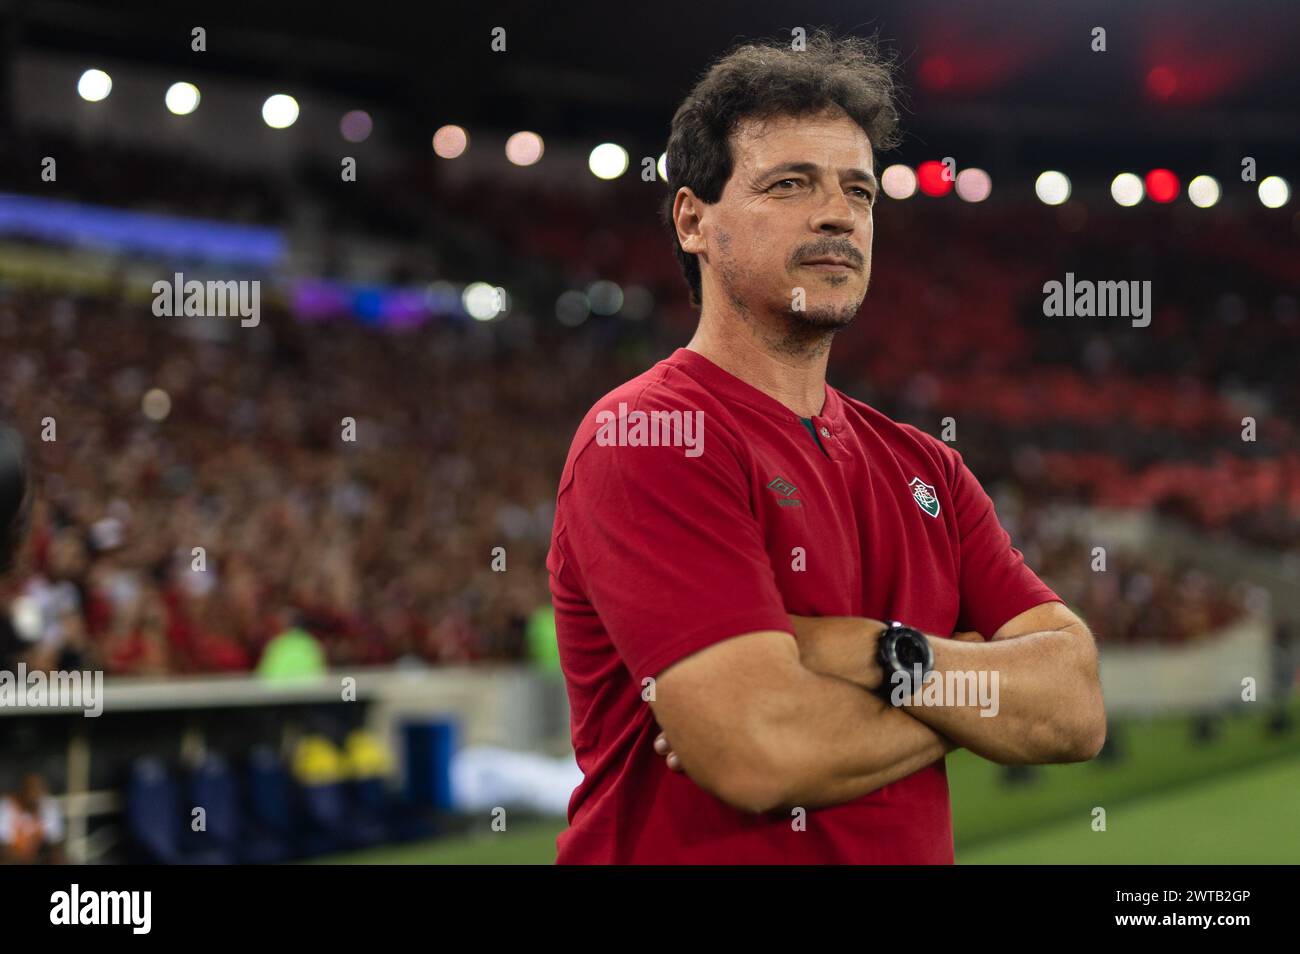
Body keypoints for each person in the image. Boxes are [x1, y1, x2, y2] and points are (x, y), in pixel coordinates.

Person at [547, 31, 1106, 864]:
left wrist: (863, 651)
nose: (838, 214)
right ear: (694, 220)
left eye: (859, 191)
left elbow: (1074, 707)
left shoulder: (928, 466)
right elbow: (763, 750)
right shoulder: (651, 436)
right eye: (790, 184)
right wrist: (975, 696)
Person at [0, 773, 66, 864]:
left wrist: (55, 857)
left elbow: (55, 842)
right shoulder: (7, 805)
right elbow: (4, 847)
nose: (33, 794)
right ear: (21, 790)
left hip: (39, 858)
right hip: (12, 859)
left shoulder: (48, 806)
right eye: (30, 788)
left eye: (37, 789)